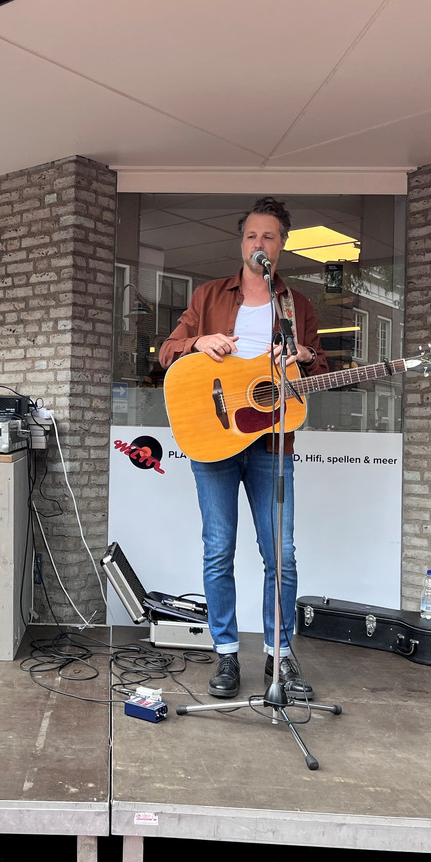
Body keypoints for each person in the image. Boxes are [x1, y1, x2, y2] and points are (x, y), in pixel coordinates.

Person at [159, 197, 327, 701]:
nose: (259, 244)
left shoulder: (297, 305)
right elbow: (166, 351)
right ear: (242, 242)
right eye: (252, 235)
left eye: (269, 236)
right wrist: (197, 343)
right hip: (213, 438)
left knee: (282, 553)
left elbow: (316, 372)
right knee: (219, 549)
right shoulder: (210, 295)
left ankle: (279, 655)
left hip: (272, 440)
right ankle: (227, 654)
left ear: (283, 246)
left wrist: (302, 356)